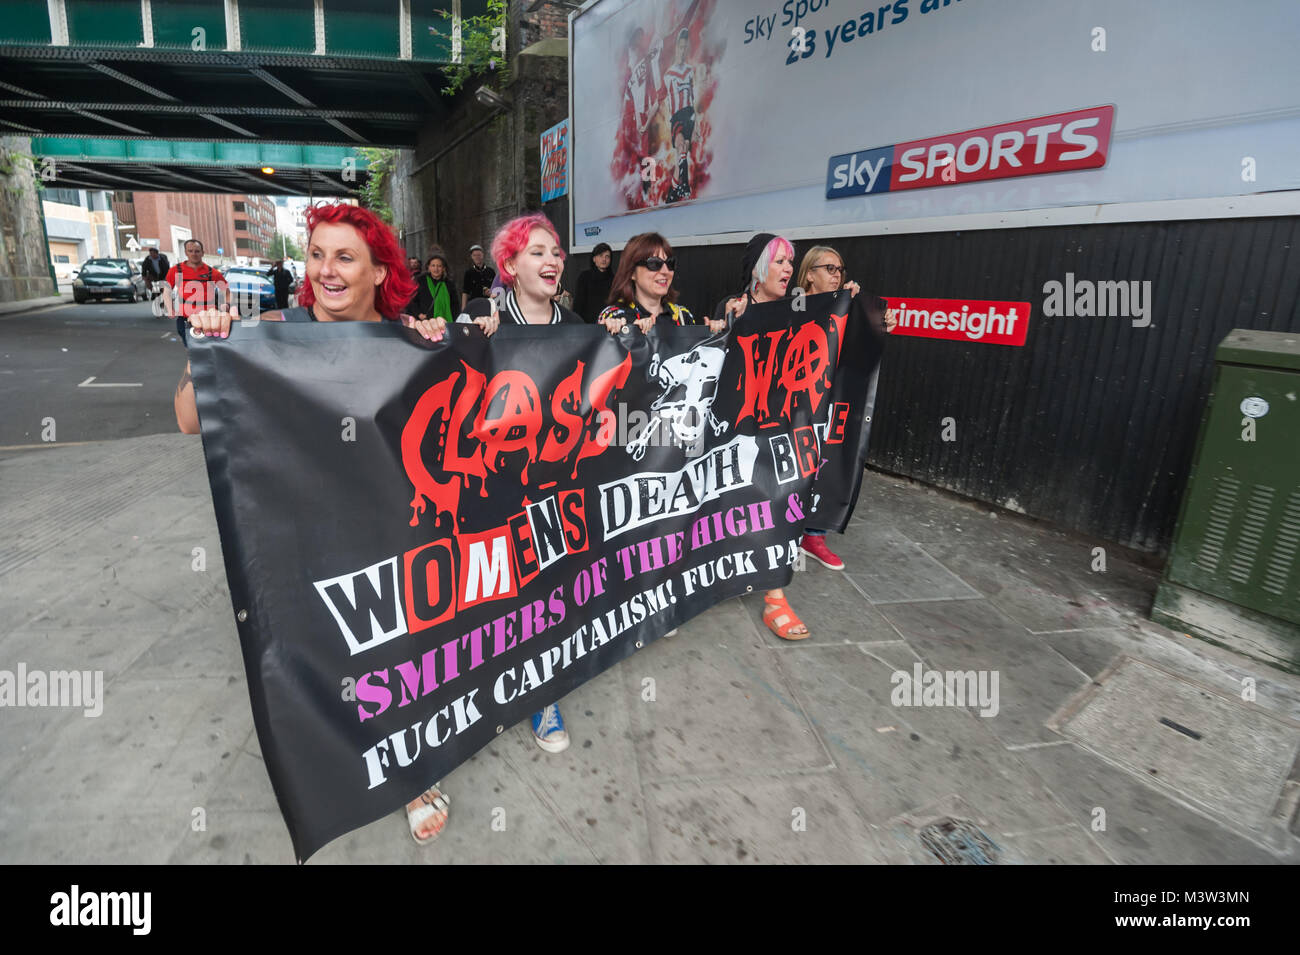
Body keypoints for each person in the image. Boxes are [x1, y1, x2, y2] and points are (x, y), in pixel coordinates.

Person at [173, 202, 500, 847]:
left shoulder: (408, 336)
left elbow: (473, 403)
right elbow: (189, 419)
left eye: (345, 257)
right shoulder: (272, 329)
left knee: (402, 655)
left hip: (393, 536)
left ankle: (409, 772)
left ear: (380, 271)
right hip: (304, 540)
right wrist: (205, 347)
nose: (326, 270)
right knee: (325, 654)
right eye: (317, 254)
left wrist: (446, 343)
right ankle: (342, 763)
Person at [713, 232, 810, 640]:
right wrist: (723, 325)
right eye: (780, 261)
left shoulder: (799, 309)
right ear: (758, 268)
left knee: (780, 500)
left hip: (781, 423)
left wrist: (865, 315)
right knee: (728, 502)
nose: (788, 269)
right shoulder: (732, 306)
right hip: (735, 424)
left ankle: (775, 596)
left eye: (791, 262)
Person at [595, 232, 700, 333]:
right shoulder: (614, 316)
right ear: (632, 272)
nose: (665, 271)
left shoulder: (682, 317)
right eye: (654, 263)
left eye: (670, 263)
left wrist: (715, 333)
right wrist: (614, 330)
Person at [164, 239, 224, 340]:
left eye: (197, 251)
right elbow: (167, 291)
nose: (194, 254)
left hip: (208, 319)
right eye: (190, 251)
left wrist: (225, 307)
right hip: (185, 319)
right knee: (191, 348)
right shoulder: (175, 270)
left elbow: (226, 291)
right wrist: (170, 309)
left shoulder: (212, 272)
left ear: (202, 253)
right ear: (185, 252)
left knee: (207, 348)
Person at [573, 242, 614, 324]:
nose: (604, 259)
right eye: (600, 256)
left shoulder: (614, 279)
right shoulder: (584, 277)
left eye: (607, 257)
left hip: (609, 324)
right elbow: (578, 304)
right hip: (587, 325)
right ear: (594, 259)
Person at [411, 252, 458, 323]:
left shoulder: (449, 284)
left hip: (445, 323)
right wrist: (419, 314)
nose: (436, 269)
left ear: (443, 268)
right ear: (429, 267)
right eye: (433, 265)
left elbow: (455, 305)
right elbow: (411, 300)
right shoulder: (421, 280)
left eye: (439, 266)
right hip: (425, 323)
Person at [461, 244, 495, 309]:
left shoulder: (491, 271)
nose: (477, 257)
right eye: (474, 255)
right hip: (473, 305)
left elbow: (497, 289)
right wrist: (463, 308)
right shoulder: (468, 273)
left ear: (483, 255)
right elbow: (465, 292)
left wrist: (491, 292)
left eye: (479, 255)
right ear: (472, 257)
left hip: (488, 304)